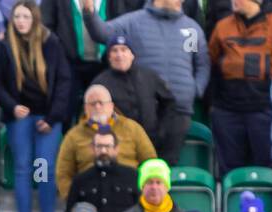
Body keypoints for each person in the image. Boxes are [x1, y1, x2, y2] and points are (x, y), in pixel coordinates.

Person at [82, 0, 210, 163]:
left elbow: (202, 63)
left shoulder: (191, 29)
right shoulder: (133, 22)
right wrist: (88, 11)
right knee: (135, 166)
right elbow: (101, 32)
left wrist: (195, 89)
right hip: (143, 111)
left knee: (164, 168)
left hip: (178, 112)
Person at [0, 1, 70, 212]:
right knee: (23, 168)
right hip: (20, 118)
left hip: (47, 117)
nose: (21, 21)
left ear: (34, 19)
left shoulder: (51, 43)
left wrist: (53, 116)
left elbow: (64, 81)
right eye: (17, 17)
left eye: (25, 16)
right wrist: (12, 106)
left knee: (43, 168)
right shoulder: (5, 46)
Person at [207, 0, 272, 174]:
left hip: (264, 110)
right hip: (227, 111)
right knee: (229, 170)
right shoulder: (222, 27)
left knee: (266, 169)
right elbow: (211, 61)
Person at [54, 82, 155, 201]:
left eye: (101, 103)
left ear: (111, 106)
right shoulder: (73, 136)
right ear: (85, 108)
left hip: (128, 195)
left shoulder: (132, 128)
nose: (97, 107)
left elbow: (151, 163)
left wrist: (142, 195)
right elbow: (63, 174)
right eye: (92, 104)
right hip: (89, 198)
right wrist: (73, 199)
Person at [92, 35, 177, 162]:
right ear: (109, 57)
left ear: (132, 54)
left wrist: (161, 130)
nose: (119, 55)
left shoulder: (149, 76)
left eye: (124, 50)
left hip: (153, 143)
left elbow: (169, 102)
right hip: (119, 148)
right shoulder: (100, 83)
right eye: (114, 51)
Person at [60, 131, 141, 212]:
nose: (103, 151)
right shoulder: (80, 180)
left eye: (108, 146)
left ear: (116, 149)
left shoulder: (132, 177)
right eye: (99, 146)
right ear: (92, 149)